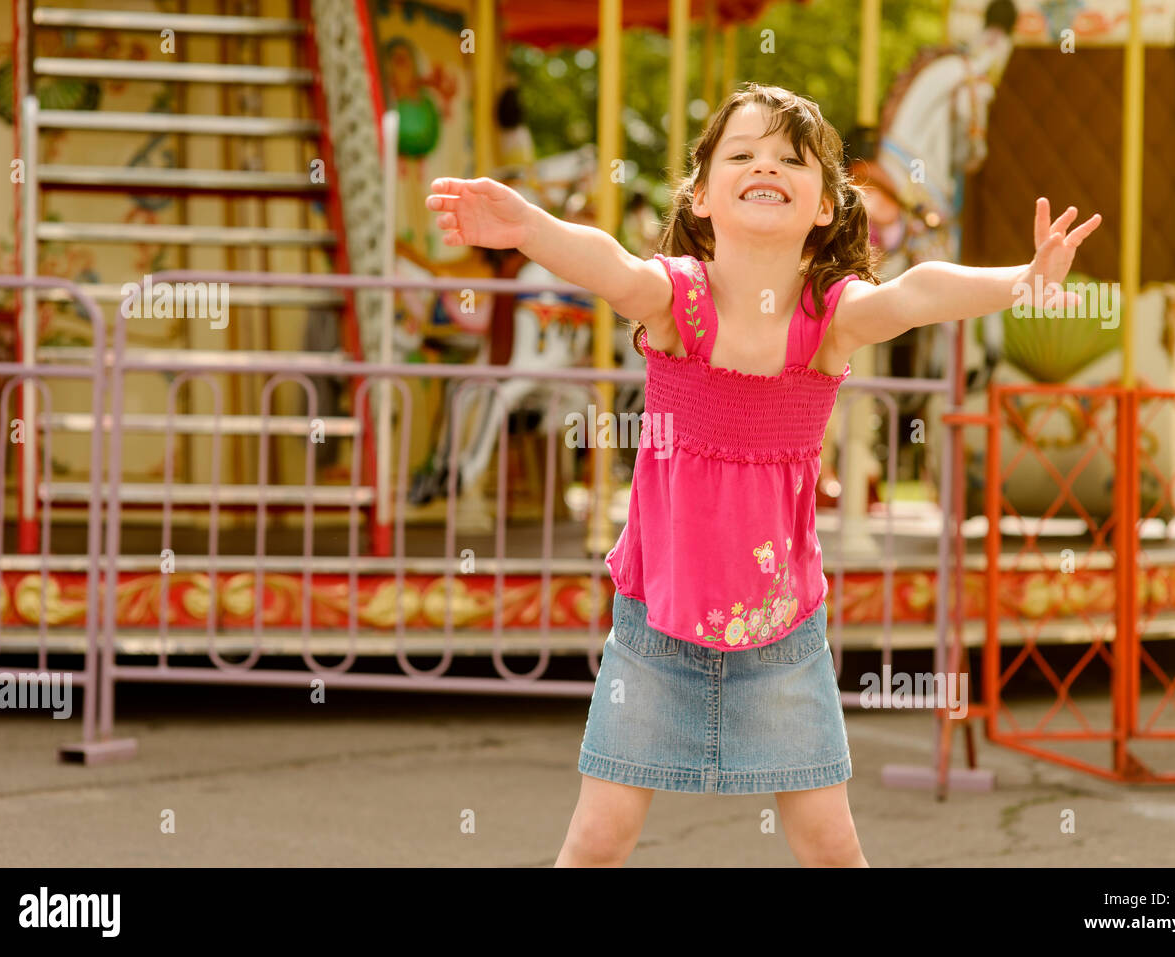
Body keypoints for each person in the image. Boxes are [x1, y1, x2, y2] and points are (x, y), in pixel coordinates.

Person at [425, 83, 1100, 868]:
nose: (764, 165)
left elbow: (918, 293)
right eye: (740, 154)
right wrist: (528, 227)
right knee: (597, 838)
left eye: (789, 157)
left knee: (831, 843)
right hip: (654, 627)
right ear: (703, 196)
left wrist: (1025, 279)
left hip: (781, 634)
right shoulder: (678, 303)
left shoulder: (829, 319)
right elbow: (609, 265)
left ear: (826, 205)